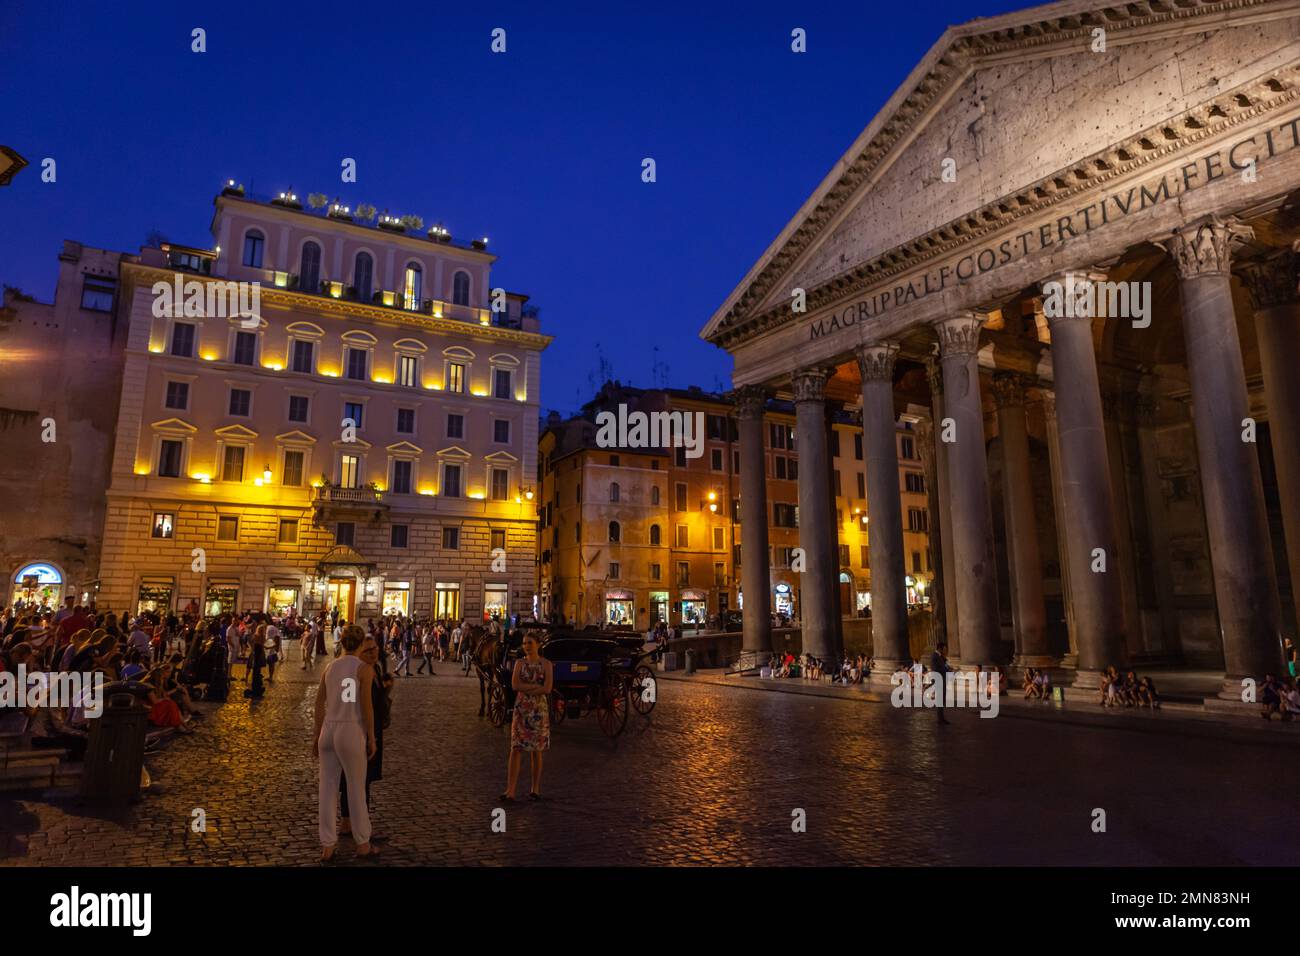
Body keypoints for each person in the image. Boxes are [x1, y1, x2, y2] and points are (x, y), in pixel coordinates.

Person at [314, 624, 378, 861]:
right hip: (350, 728)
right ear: (361, 645)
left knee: (327, 788)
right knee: (355, 787)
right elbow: (366, 707)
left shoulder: (330, 668)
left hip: (329, 729)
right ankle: (363, 843)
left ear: (341, 643)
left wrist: (316, 734)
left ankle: (327, 845)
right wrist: (371, 737)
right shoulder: (363, 669)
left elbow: (319, 704)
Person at [340, 634, 391, 842]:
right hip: (361, 731)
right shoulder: (358, 672)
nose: (374, 653)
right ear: (359, 652)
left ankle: (351, 822)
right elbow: (354, 704)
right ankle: (359, 826)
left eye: (375, 648)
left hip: (372, 729)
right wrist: (369, 737)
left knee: (361, 779)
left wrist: (387, 689)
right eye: (368, 650)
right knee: (358, 778)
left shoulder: (375, 670)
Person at [503, 631, 553, 801]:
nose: (526, 646)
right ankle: (510, 790)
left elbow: (547, 689)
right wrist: (534, 688)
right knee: (515, 748)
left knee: (536, 750)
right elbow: (514, 685)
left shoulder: (546, 664)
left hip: (538, 711)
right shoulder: (519, 663)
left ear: (538, 644)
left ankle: (535, 788)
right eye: (524, 643)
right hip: (522, 709)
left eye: (530, 643)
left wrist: (526, 688)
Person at [929, 642, 952, 724]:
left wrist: (948, 668)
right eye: (944, 649)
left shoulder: (940, 656)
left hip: (942, 679)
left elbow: (943, 665)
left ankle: (941, 718)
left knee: (942, 699)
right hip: (939, 680)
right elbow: (935, 669)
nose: (945, 650)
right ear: (940, 648)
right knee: (940, 700)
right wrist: (946, 670)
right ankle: (940, 719)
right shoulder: (934, 656)